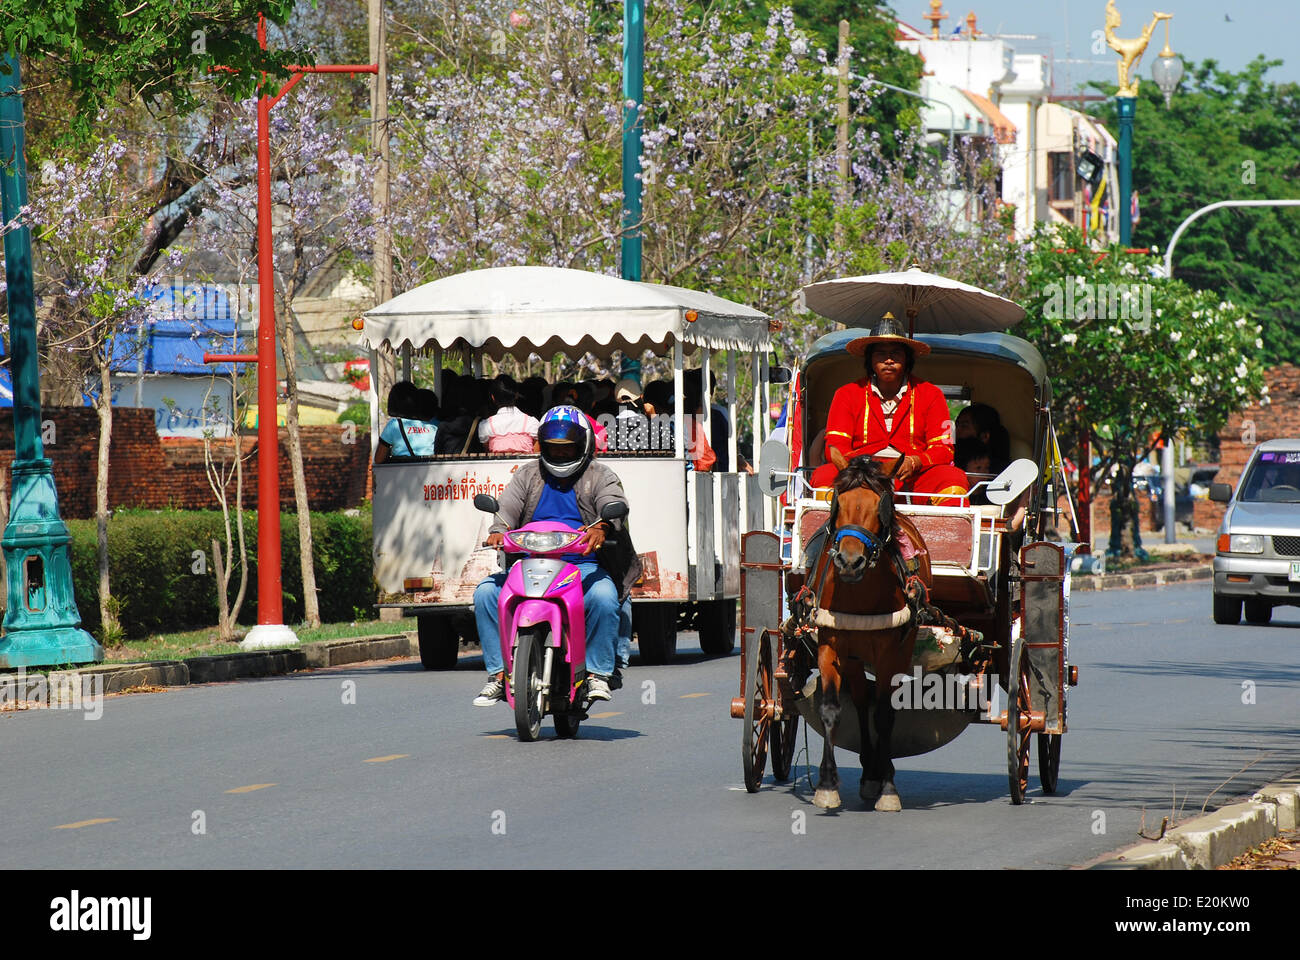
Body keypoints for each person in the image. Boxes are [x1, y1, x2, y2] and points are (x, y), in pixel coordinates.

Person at [472, 405, 641, 707]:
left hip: (583, 568)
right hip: (529, 565)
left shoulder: (599, 474)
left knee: (603, 596)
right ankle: (498, 675)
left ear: (583, 446)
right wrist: (499, 529)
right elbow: (507, 507)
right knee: (486, 592)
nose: (560, 455)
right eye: (553, 449)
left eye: (568, 449)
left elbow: (613, 502)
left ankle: (597, 675)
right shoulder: (527, 474)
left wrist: (603, 526)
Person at [810, 314, 967, 504]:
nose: (889, 360)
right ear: (870, 360)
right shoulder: (846, 394)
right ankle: (828, 534)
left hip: (913, 475)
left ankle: (943, 535)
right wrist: (865, 467)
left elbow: (944, 449)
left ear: (907, 359)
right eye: (881, 353)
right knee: (823, 476)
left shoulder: (932, 394)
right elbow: (834, 446)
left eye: (896, 353)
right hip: (860, 474)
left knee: (954, 479)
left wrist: (916, 462)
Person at [375, 381, 438, 463]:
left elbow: (378, 459)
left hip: (402, 472)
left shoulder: (394, 425)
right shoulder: (432, 426)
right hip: (429, 472)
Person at [478, 375, 540, 453]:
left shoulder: (485, 426)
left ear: (493, 398)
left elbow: (487, 453)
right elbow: (536, 455)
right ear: (516, 395)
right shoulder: (532, 423)